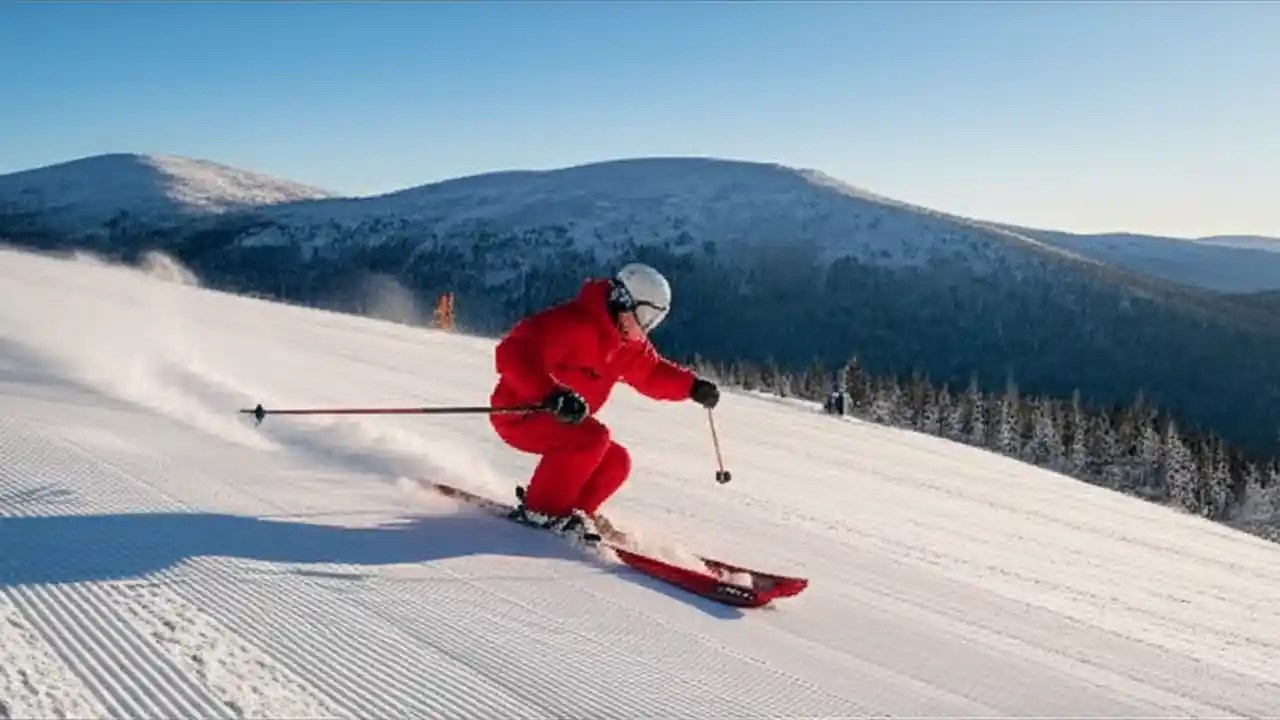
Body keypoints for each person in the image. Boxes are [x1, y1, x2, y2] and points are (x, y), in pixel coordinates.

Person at [489, 262, 720, 542]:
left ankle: (575, 513)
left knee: (615, 461)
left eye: (653, 321)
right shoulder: (574, 324)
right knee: (592, 438)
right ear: (622, 300)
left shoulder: (625, 343)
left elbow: (650, 373)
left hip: (563, 420)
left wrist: (692, 387)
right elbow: (513, 351)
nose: (645, 328)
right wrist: (549, 394)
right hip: (522, 412)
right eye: (644, 315)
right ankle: (543, 512)